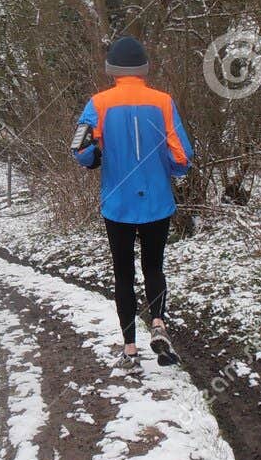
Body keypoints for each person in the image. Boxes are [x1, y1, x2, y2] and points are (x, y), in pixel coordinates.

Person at [70, 36, 193, 365]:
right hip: (157, 202)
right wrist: (169, 169)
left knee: (123, 273)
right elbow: (182, 156)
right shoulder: (163, 102)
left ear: (112, 68)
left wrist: (95, 158)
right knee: (154, 266)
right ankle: (158, 322)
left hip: (118, 203)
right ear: (144, 68)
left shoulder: (98, 104)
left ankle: (129, 350)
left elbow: (80, 149)